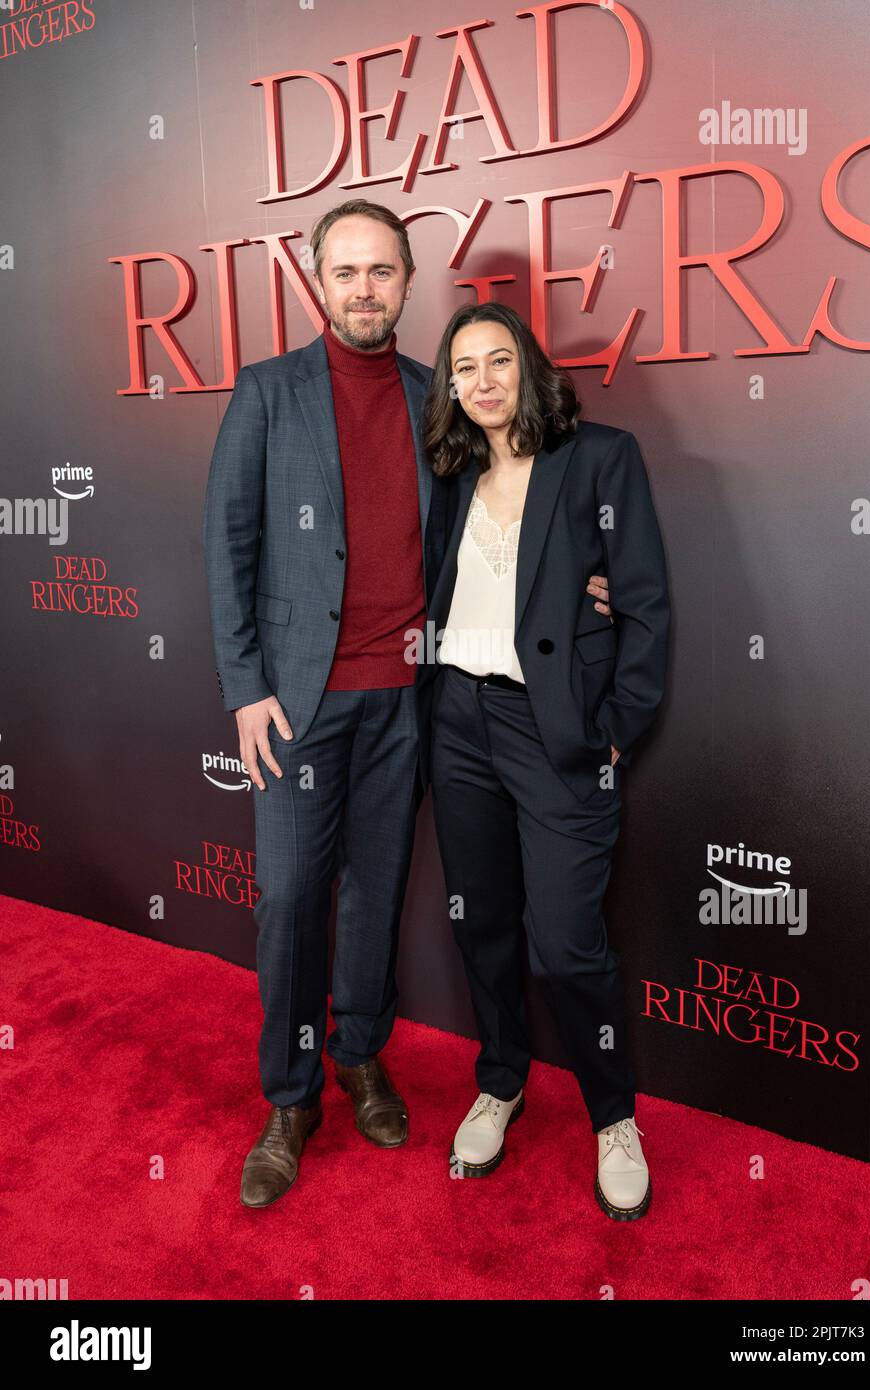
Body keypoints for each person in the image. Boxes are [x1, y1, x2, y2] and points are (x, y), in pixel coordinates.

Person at [202, 198, 616, 1209]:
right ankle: (291, 1095)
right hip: (299, 704)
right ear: (317, 279)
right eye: (346, 272)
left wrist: (584, 583)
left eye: (382, 272)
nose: (364, 289)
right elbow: (228, 544)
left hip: (409, 703)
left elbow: (502, 517)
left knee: (374, 894)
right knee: (294, 898)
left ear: (406, 279)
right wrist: (246, 686)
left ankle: (359, 1055)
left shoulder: (440, 396)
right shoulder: (264, 394)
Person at [421, 302, 670, 1220]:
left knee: (565, 943)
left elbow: (641, 603)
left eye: (498, 361)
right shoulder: (448, 473)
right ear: (450, 387)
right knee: (482, 923)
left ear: (528, 367)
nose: (482, 381)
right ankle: (501, 1079)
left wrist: (614, 728)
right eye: (464, 369)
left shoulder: (600, 457)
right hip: (456, 719)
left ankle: (612, 1116)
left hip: (555, 730)